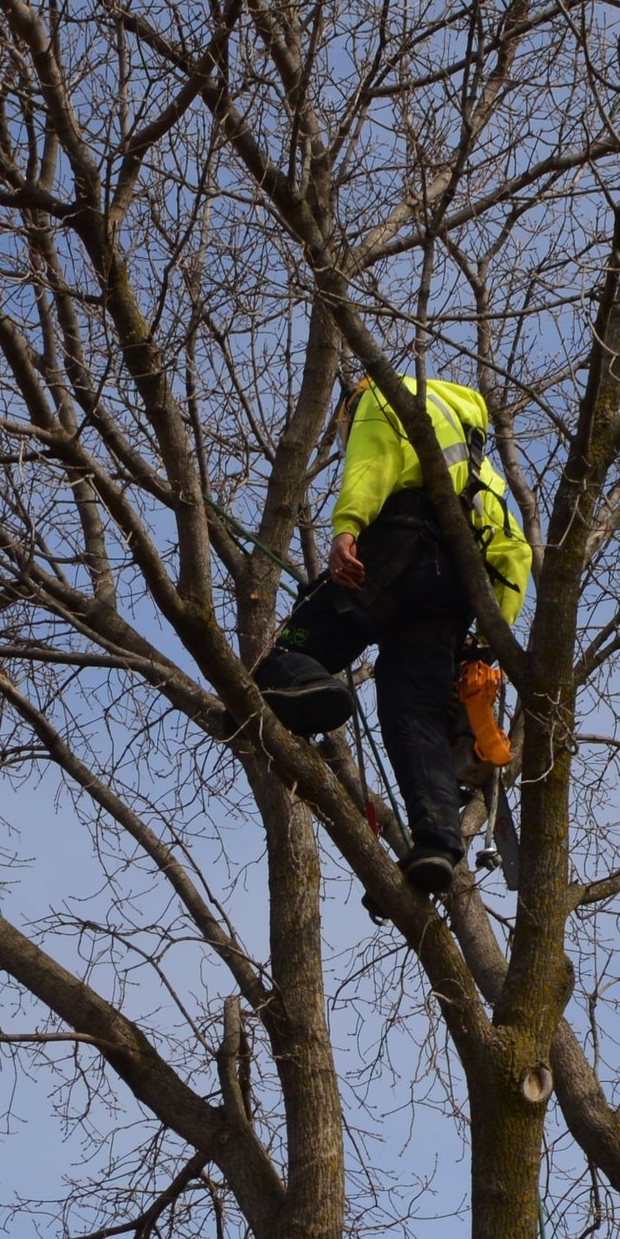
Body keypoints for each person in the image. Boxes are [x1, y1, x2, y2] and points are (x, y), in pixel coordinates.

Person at [254, 371, 533, 891]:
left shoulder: (378, 397)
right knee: (415, 714)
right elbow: (514, 550)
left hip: (399, 549)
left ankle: (311, 688)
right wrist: (488, 638)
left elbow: (372, 462)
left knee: (291, 649)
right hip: (451, 597)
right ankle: (437, 844)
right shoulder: (479, 466)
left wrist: (347, 528)